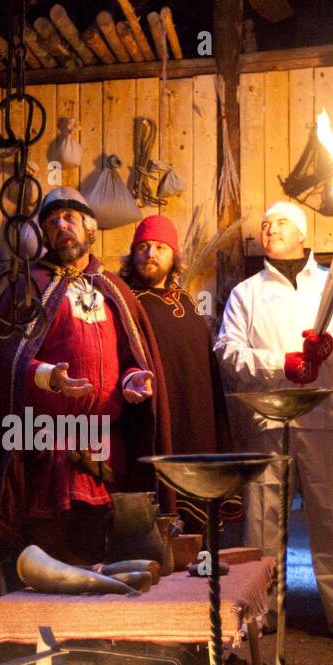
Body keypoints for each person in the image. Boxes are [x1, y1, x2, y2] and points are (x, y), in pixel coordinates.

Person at [0, 187, 171, 566]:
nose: (62, 226)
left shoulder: (115, 290)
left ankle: (96, 623)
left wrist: (133, 381)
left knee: (102, 553)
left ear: (90, 229)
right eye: (52, 221)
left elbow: (130, 357)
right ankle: (48, 622)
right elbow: (5, 363)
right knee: (56, 555)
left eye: (70, 218)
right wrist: (48, 377)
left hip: (107, 446)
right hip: (50, 445)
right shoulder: (28, 288)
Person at [214, 200, 333, 647]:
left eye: (281, 222)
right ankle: (261, 611)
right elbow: (227, 353)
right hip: (268, 419)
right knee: (263, 522)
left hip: (328, 418)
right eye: (265, 225)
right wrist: (280, 364)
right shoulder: (245, 294)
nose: (270, 229)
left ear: (303, 233)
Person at [122, 214, 231, 532]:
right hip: (148, 419)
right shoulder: (125, 302)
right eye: (143, 247)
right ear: (132, 255)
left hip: (193, 423)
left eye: (159, 247)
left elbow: (205, 375)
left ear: (174, 256)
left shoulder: (186, 304)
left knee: (195, 526)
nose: (150, 254)